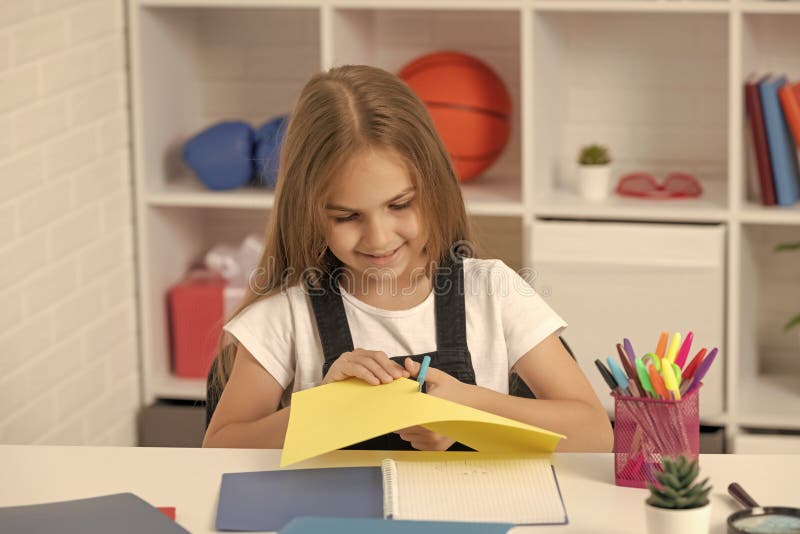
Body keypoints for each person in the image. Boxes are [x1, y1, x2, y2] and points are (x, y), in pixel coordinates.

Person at [202, 64, 612, 452]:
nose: (379, 238)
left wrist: (470, 412)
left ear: (435, 187)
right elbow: (218, 448)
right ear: (307, 213)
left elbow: (594, 434)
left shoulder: (493, 292)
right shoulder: (287, 315)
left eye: (399, 205)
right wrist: (325, 409)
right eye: (346, 216)